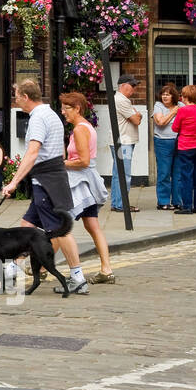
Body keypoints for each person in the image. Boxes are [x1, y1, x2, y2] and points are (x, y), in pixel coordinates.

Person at [1, 81, 88, 294]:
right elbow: (60, 153)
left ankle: (78, 278)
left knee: (60, 231)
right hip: (52, 178)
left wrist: (13, 182)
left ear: (26, 97)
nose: (15, 99)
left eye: (17, 96)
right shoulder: (51, 115)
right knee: (27, 224)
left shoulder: (38, 118)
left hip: (46, 181)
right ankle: (13, 267)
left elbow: (32, 153)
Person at [60, 92, 114, 284]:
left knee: (60, 224)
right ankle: (106, 270)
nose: (63, 112)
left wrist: (63, 163)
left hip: (80, 183)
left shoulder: (79, 130)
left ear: (77, 108)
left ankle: (41, 267)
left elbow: (83, 161)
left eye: (66, 108)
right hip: (87, 181)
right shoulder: (86, 127)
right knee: (93, 226)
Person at [172, 85, 196, 215]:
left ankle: (187, 206)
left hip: (186, 147)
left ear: (186, 97)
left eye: (182, 95)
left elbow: (175, 128)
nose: (181, 97)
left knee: (186, 177)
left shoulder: (182, 111)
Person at [111, 75, 143, 213]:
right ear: (123, 85)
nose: (134, 89)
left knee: (118, 174)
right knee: (124, 174)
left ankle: (117, 203)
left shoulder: (121, 99)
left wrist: (137, 115)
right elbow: (136, 120)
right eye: (132, 86)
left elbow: (135, 117)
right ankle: (121, 204)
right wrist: (138, 115)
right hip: (123, 142)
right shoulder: (121, 100)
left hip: (121, 141)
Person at [152, 83, 181, 211]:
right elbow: (161, 122)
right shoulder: (158, 106)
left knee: (177, 172)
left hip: (179, 142)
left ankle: (177, 201)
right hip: (163, 142)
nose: (164, 97)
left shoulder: (181, 106)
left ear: (173, 96)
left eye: (168, 94)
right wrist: (173, 112)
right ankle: (163, 201)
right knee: (164, 172)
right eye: (163, 94)